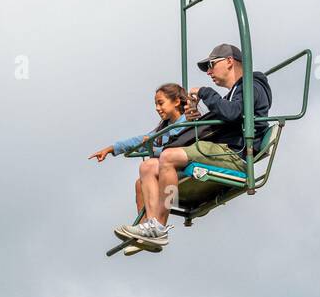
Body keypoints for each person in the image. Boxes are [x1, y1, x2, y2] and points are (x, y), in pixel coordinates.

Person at [114, 43, 271, 250]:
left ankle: (159, 227)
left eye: (212, 65)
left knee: (168, 157)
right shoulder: (235, 92)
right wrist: (195, 116)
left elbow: (232, 113)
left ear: (230, 62)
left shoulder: (251, 86)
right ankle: (148, 227)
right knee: (148, 167)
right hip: (218, 149)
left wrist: (205, 92)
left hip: (234, 153)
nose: (209, 72)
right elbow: (226, 115)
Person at [90, 82, 195, 254]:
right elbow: (140, 140)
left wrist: (153, 149)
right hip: (172, 167)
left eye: (160, 103)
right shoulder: (166, 128)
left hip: (184, 164)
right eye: (156, 104)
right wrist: (112, 148)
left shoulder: (187, 121)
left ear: (176, 101)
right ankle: (143, 230)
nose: (157, 108)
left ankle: (155, 226)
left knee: (147, 166)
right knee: (140, 184)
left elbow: (181, 146)